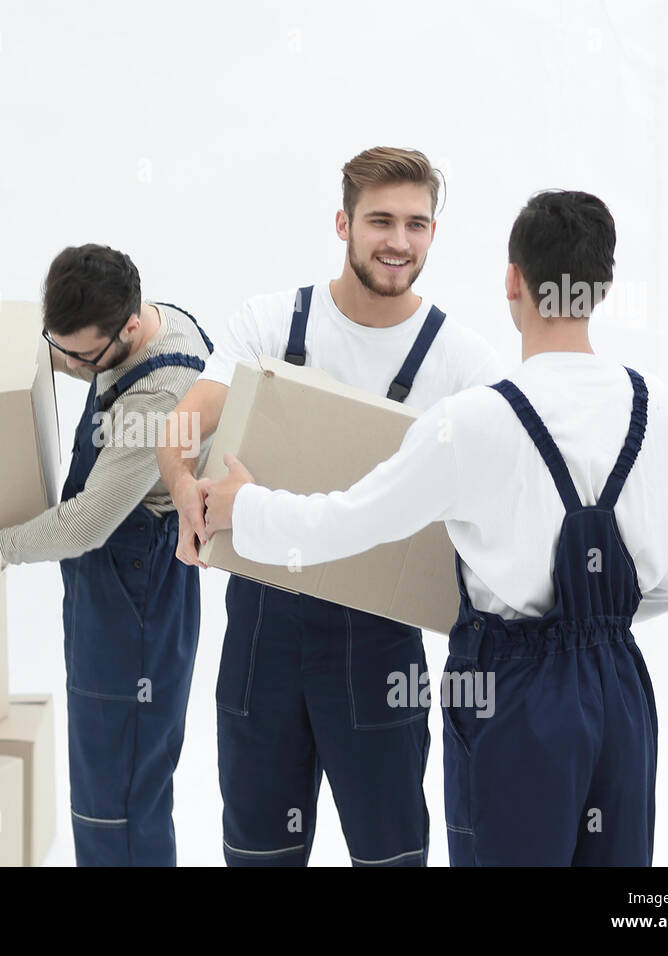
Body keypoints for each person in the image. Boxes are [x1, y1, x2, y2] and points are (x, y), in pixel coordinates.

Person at [201, 189, 668, 866]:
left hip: (514, 693)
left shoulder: (473, 421)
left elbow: (351, 522)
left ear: (513, 280)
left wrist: (246, 509)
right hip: (620, 691)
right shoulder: (658, 408)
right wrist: (592, 632)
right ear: (603, 287)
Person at [158, 146, 505, 866]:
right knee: (257, 849)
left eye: (416, 224)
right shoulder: (271, 323)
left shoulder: (462, 362)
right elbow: (184, 424)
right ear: (343, 224)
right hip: (264, 630)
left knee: (389, 852)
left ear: (434, 233)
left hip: (381, 641)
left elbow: (502, 490)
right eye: (380, 221)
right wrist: (186, 493)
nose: (398, 242)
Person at [0, 244, 214, 866]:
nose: (67, 363)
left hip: (134, 590)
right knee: (109, 782)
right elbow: (66, 352)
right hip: (112, 582)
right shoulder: (140, 320)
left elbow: (89, 523)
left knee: (118, 797)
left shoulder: (159, 396)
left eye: (81, 355)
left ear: (130, 326)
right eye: (57, 344)